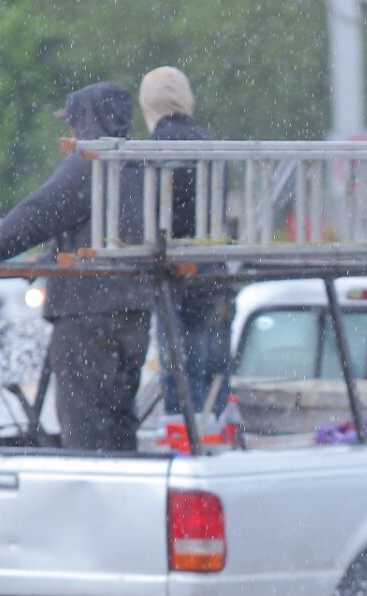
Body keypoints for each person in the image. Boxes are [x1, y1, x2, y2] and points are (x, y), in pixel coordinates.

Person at [0, 82, 148, 451]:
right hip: (134, 314)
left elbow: (40, 212)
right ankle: (123, 479)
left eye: (72, 121)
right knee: (119, 419)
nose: (70, 130)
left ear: (85, 120)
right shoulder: (137, 165)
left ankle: (87, 485)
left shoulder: (89, 162)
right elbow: (109, 230)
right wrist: (49, 258)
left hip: (88, 314)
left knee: (84, 423)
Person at [139, 66, 233, 416]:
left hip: (175, 276)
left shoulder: (148, 152)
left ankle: (186, 437)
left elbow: (147, 217)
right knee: (216, 375)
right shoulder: (212, 146)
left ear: (148, 104)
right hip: (215, 275)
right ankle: (217, 433)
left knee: (181, 375)